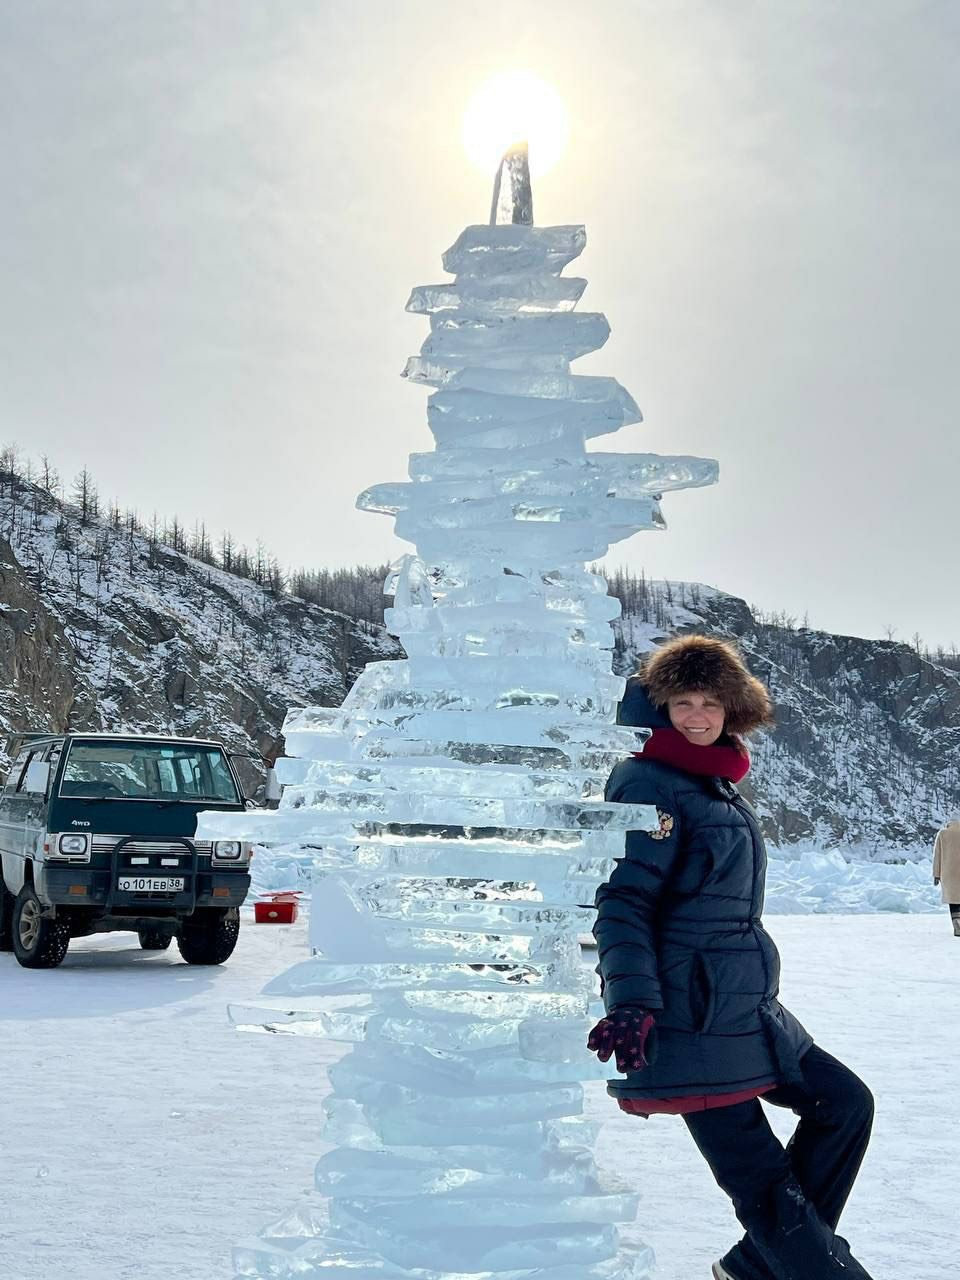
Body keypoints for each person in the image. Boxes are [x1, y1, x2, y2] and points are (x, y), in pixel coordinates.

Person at [588, 635, 875, 1280]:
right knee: (765, 1189)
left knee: (845, 1104)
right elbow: (624, 900)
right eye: (682, 702)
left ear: (732, 708)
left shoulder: (711, 781)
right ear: (660, 708)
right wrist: (630, 1000)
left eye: (709, 703)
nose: (696, 716)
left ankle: (753, 1267)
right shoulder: (649, 784)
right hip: (685, 1012)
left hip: (743, 1002)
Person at [932, 818, 960, 936]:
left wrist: (936, 875)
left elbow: (937, 855)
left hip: (948, 873)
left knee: (953, 900)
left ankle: (957, 925)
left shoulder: (943, 834)